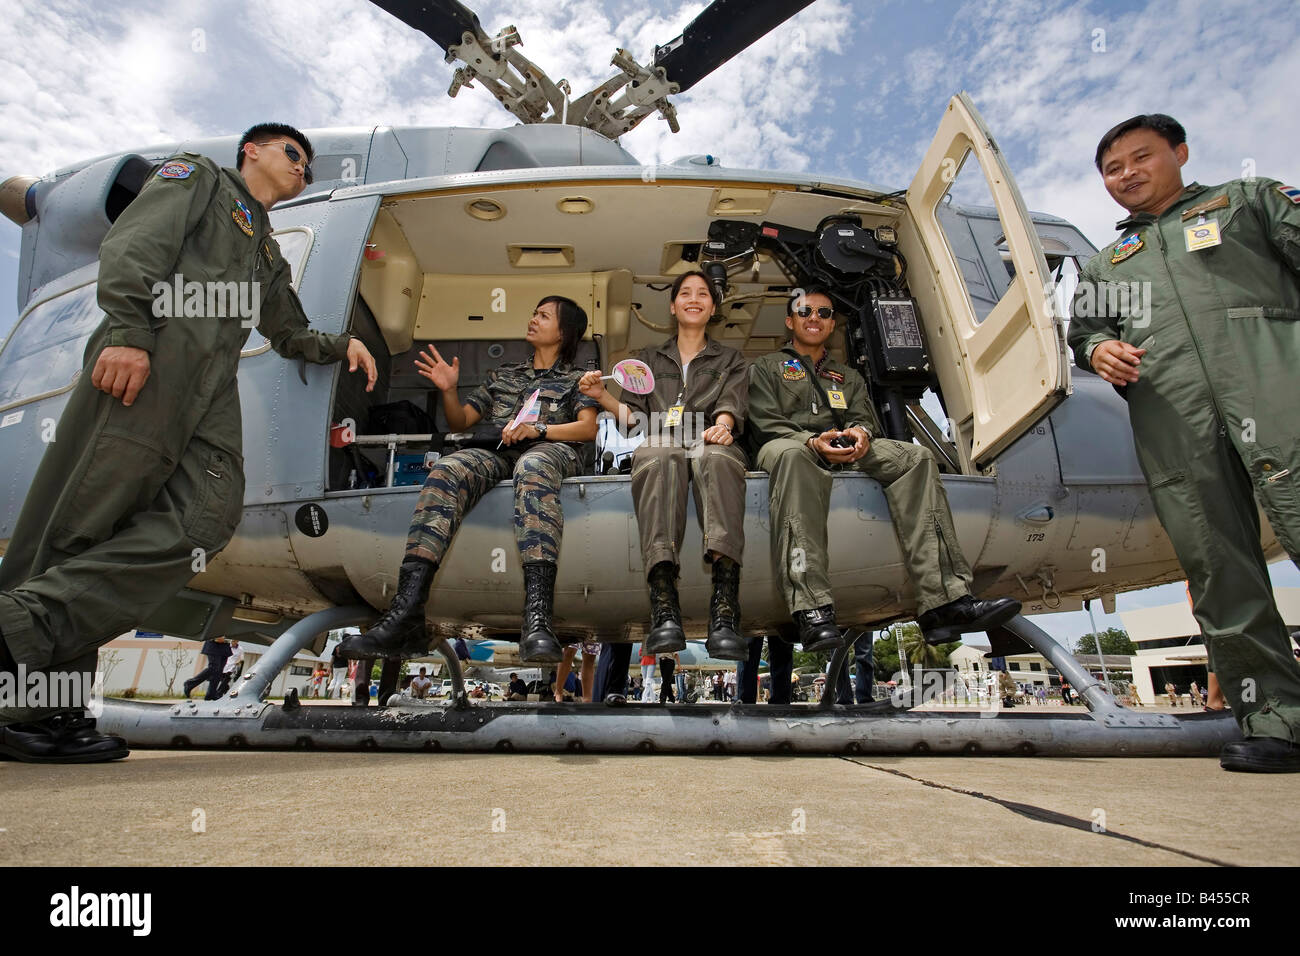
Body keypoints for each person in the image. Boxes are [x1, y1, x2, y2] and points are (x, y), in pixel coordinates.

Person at [0, 123, 378, 763]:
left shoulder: (265, 248)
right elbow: (136, 244)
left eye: (310, 168)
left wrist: (343, 345)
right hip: (153, 357)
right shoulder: (197, 179)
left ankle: (19, 632)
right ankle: (41, 707)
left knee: (207, 521)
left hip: (210, 389)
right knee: (81, 529)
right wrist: (128, 333)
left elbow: (287, 330)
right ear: (251, 151)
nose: (303, 171)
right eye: (294, 155)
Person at [1067, 113, 1300, 772]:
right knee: (1216, 563)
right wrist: (1099, 349)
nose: (1127, 175)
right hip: (1175, 417)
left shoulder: (1246, 203)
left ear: (1181, 153)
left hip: (1276, 390)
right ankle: (1278, 719)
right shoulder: (1108, 263)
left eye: (1141, 158)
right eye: (1113, 169)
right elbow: (1083, 334)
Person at [745, 288, 1021, 654]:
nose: (814, 317)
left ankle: (944, 603)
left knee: (916, 459)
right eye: (805, 311)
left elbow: (863, 418)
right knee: (793, 459)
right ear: (790, 321)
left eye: (824, 313)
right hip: (790, 444)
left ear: (832, 324)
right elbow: (765, 424)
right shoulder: (765, 368)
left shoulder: (847, 377)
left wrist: (859, 433)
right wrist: (813, 441)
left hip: (844, 445)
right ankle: (812, 610)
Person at [340, 296, 599, 665]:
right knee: (447, 470)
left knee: (533, 466)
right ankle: (407, 613)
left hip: (551, 451)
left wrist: (538, 428)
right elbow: (461, 421)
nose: (533, 319)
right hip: (496, 452)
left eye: (543, 315)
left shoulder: (577, 380)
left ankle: (538, 619)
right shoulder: (502, 374)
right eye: (534, 312)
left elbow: (588, 428)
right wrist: (448, 389)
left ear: (564, 332)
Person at [579, 271, 749, 660]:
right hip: (659, 436)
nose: (694, 299)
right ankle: (663, 604)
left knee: (718, 458)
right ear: (672, 306)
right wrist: (601, 396)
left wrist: (723, 428)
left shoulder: (731, 360)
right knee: (658, 451)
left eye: (703, 293)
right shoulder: (645, 360)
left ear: (713, 307)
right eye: (685, 293)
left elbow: (732, 407)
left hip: (709, 437)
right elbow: (633, 418)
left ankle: (725, 609)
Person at [182, 637, 232, 702]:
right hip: (214, 644)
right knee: (213, 667)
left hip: (225, 646)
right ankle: (190, 683)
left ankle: (210, 695)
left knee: (218, 672)